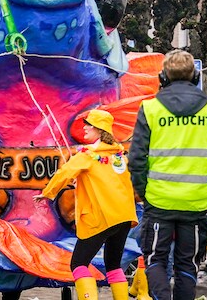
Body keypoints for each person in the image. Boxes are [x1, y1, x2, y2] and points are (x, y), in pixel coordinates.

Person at [128, 50, 207, 300]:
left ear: (163, 77)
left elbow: (137, 158)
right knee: (188, 263)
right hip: (196, 201)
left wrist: (143, 192)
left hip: (159, 199)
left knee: (155, 259)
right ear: (195, 76)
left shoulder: (150, 109)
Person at [36, 109, 136, 300]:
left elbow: (65, 173)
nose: (85, 128)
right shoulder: (119, 157)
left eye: (89, 124)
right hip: (123, 217)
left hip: (101, 216)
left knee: (79, 264)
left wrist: (47, 193)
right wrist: (83, 182)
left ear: (99, 129)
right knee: (113, 266)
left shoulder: (87, 156)